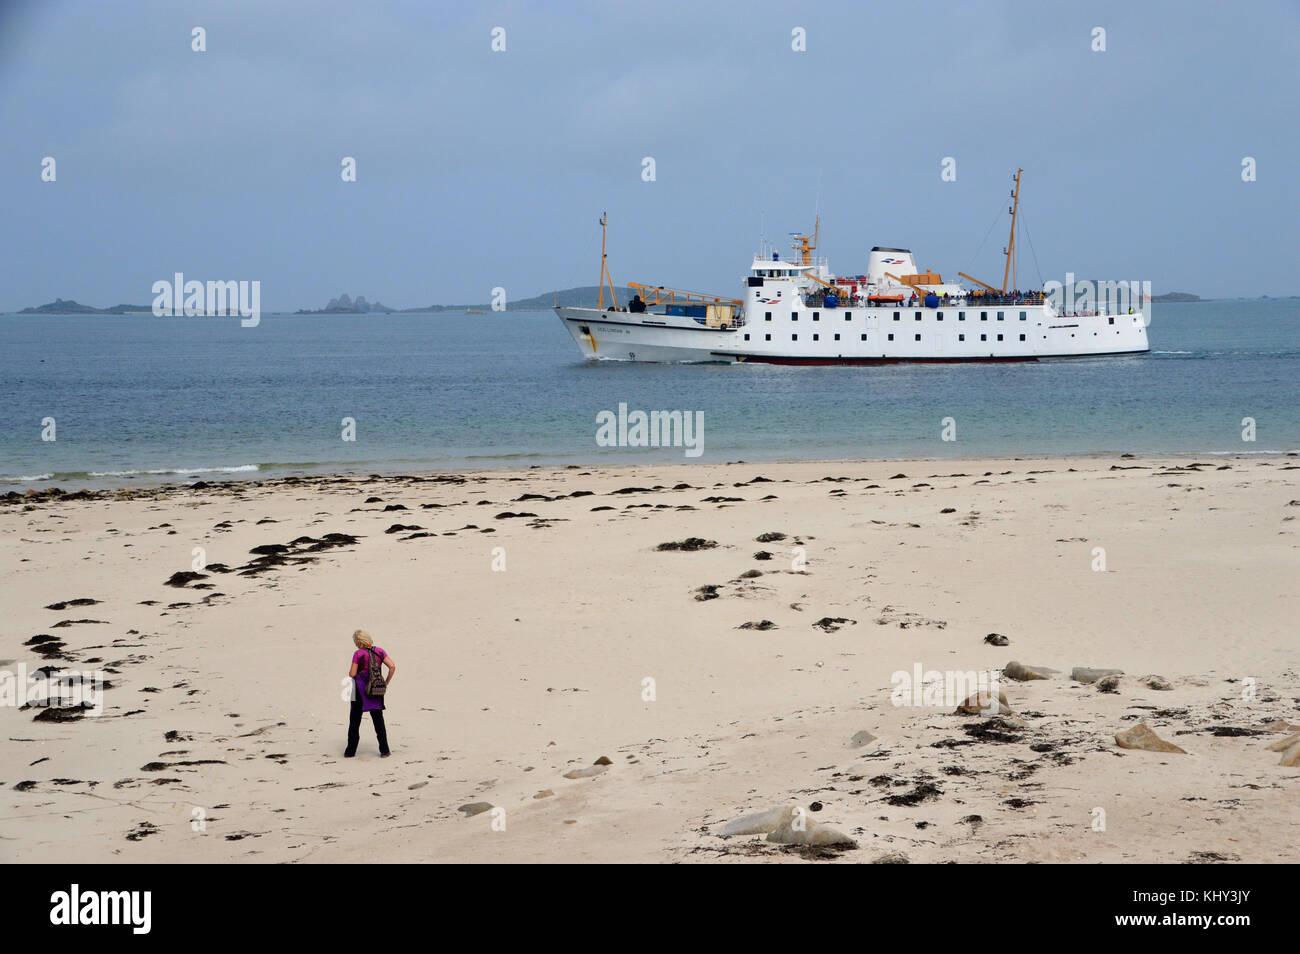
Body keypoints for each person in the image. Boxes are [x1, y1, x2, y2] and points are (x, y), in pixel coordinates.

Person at [345, 629, 395, 758]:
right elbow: (392, 666)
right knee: (378, 720)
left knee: (355, 721)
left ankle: (350, 751)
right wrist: (386, 683)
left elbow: (352, 674)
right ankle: (385, 750)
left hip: (359, 690)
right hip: (376, 688)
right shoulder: (380, 651)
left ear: (359, 642)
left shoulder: (358, 654)